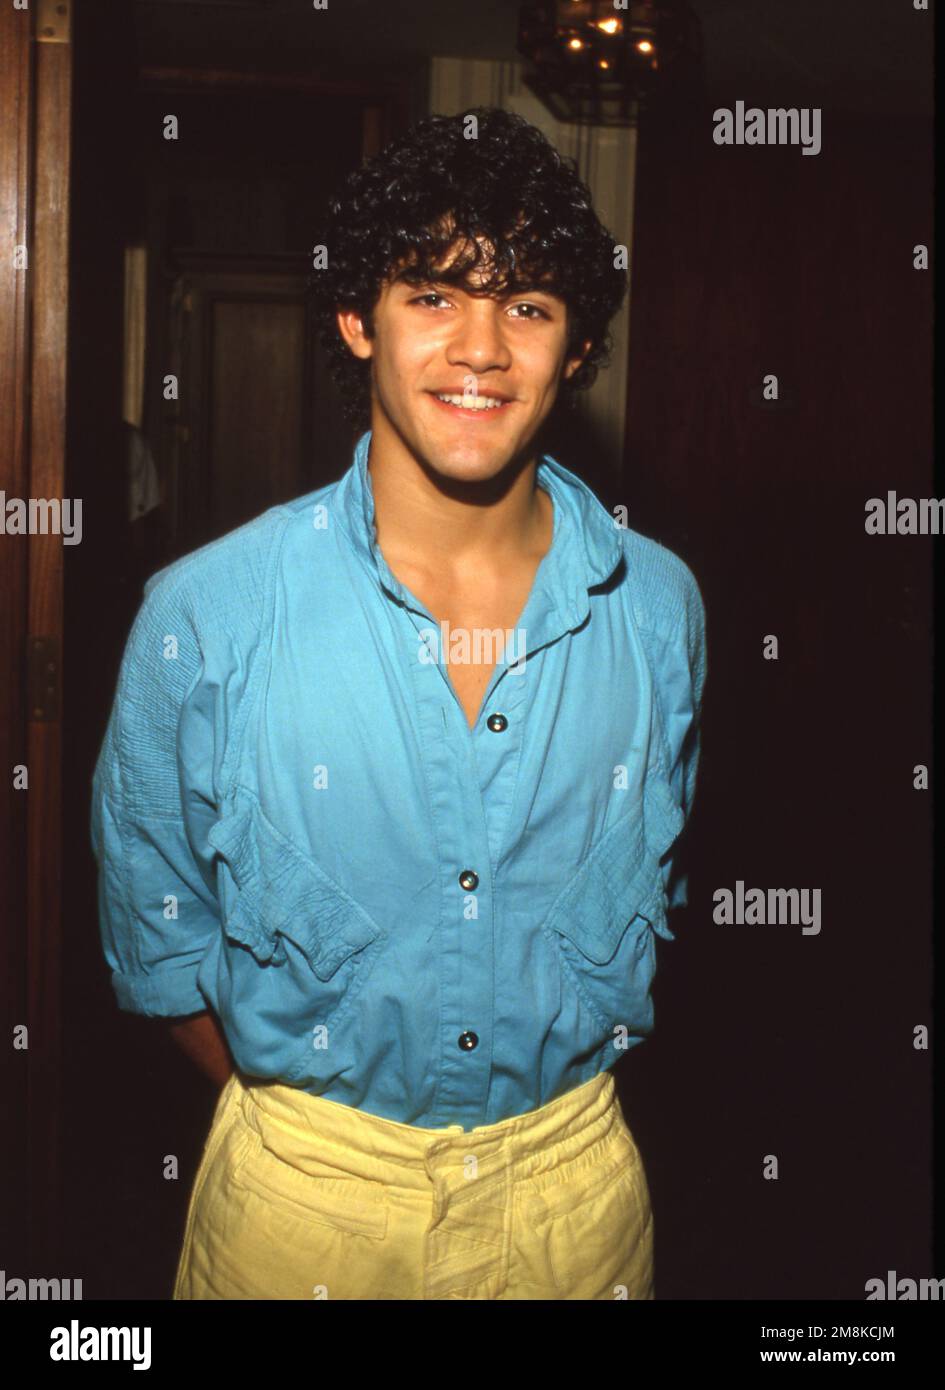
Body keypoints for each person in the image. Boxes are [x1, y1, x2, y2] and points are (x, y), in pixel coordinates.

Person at [90, 106, 707, 1301]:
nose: (480, 346)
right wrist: (338, 1153)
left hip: (579, 1210)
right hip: (300, 1212)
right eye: (431, 293)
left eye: (526, 305)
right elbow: (161, 955)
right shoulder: (201, 617)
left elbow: (660, 895)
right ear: (355, 318)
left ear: (575, 348)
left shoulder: (662, 609)